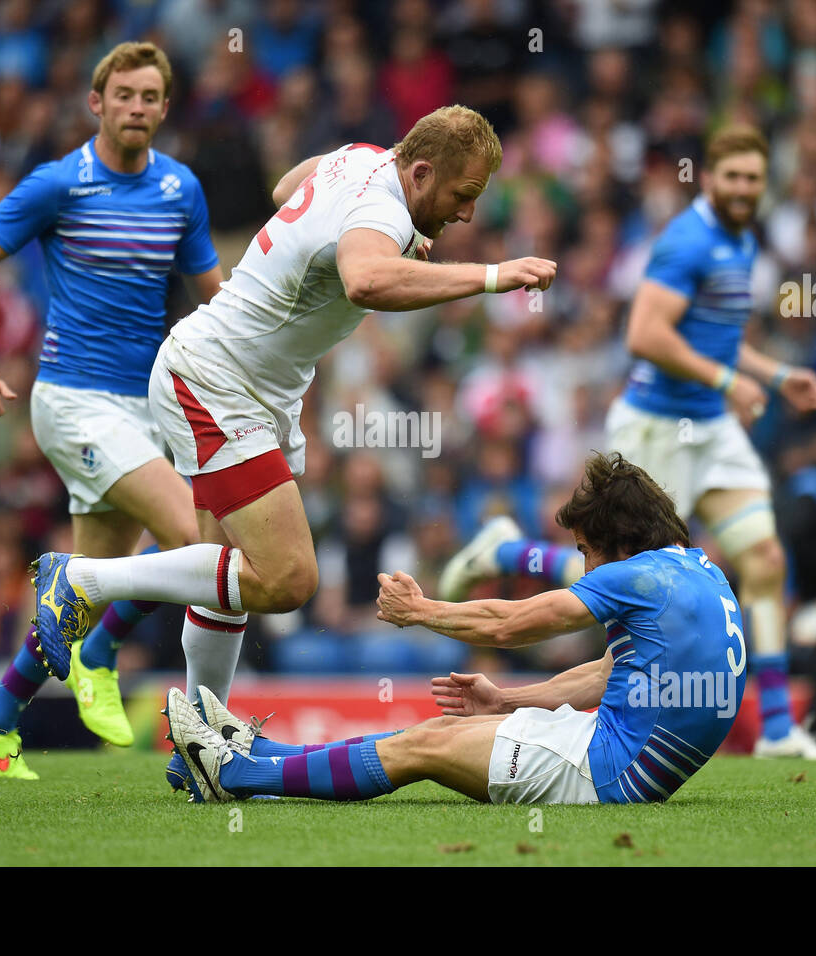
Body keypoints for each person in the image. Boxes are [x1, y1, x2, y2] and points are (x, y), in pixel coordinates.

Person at [28, 105, 558, 794]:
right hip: (216, 382)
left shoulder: (361, 156)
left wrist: (378, 237)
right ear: (422, 172)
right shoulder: (382, 209)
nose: (467, 212)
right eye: (463, 194)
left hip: (238, 383)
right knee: (288, 579)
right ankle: (83, 581)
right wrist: (491, 275)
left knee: (222, 576)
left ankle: (201, 742)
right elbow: (367, 280)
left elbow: (287, 188)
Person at [438, 123, 816, 759]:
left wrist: (776, 375)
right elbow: (645, 335)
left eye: (754, 179)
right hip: (658, 424)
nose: (743, 188)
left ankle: (778, 731)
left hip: (710, 423)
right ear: (709, 179)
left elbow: (714, 336)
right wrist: (729, 382)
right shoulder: (686, 242)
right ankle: (506, 550)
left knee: (765, 560)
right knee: (626, 572)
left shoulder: (741, 242)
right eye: (732, 177)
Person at [165, 452, 746, 805]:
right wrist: (507, 700)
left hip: (605, 772)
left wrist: (420, 611)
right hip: (624, 758)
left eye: (587, 551)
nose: (588, 568)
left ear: (620, 542)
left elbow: (512, 624)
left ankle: (236, 773)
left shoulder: (639, 576)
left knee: (424, 746)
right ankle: (260, 754)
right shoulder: (699, 572)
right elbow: (606, 675)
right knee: (434, 734)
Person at [0, 42, 223, 779]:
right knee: (196, 534)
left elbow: (216, 301)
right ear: (96, 103)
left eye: (149, 96)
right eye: (123, 94)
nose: (136, 107)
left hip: (145, 406)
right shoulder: (59, 183)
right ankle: (100, 655)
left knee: (92, 586)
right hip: (73, 402)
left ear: (165, 108)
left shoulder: (181, 189)